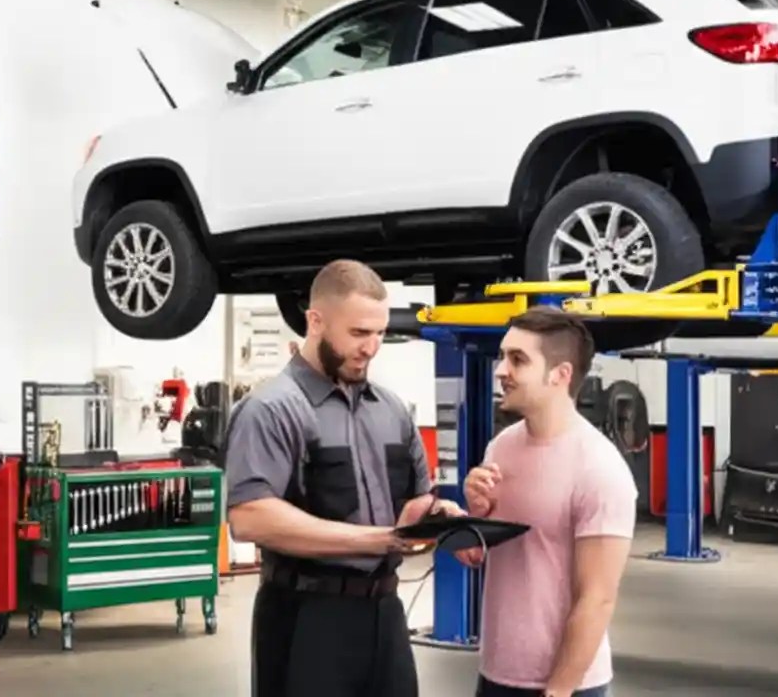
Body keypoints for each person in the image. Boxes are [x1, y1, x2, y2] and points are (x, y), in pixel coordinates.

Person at [224, 258, 465, 697]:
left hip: (385, 616)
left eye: (379, 333)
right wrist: (377, 539)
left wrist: (441, 516)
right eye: (358, 333)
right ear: (315, 321)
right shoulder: (273, 409)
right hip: (307, 615)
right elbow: (250, 517)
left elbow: (415, 501)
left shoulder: (391, 410)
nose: (371, 347)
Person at [457, 307, 638, 697]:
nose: (500, 371)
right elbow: (479, 553)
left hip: (564, 685)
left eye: (517, 360)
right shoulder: (501, 448)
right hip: (495, 673)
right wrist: (474, 516)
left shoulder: (600, 468)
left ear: (561, 374)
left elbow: (598, 598)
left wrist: (559, 690)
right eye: (503, 356)